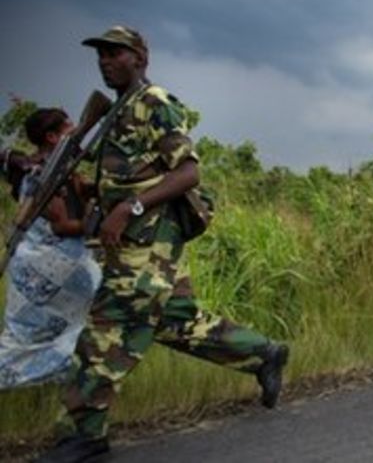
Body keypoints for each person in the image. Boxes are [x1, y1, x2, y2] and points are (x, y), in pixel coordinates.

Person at [39, 26, 289, 463]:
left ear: (140, 57)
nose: (105, 61)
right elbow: (129, 177)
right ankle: (263, 353)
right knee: (176, 320)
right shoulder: (118, 110)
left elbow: (188, 173)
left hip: (149, 243)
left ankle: (84, 433)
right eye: (101, 55)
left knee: (105, 334)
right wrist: (91, 192)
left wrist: (128, 208)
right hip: (141, 243)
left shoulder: (155, 103)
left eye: (115, 53)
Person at [0, 109, 101, 389]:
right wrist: (99, 224)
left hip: (37, 265)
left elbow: (79, 192)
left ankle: (51, 387)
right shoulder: (46, 170)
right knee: (32, 338)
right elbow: (61, 225)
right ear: (51, 136)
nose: (76, 128)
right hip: (48, 266)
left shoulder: (54, 165)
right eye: (68, 126)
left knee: (28, 337)